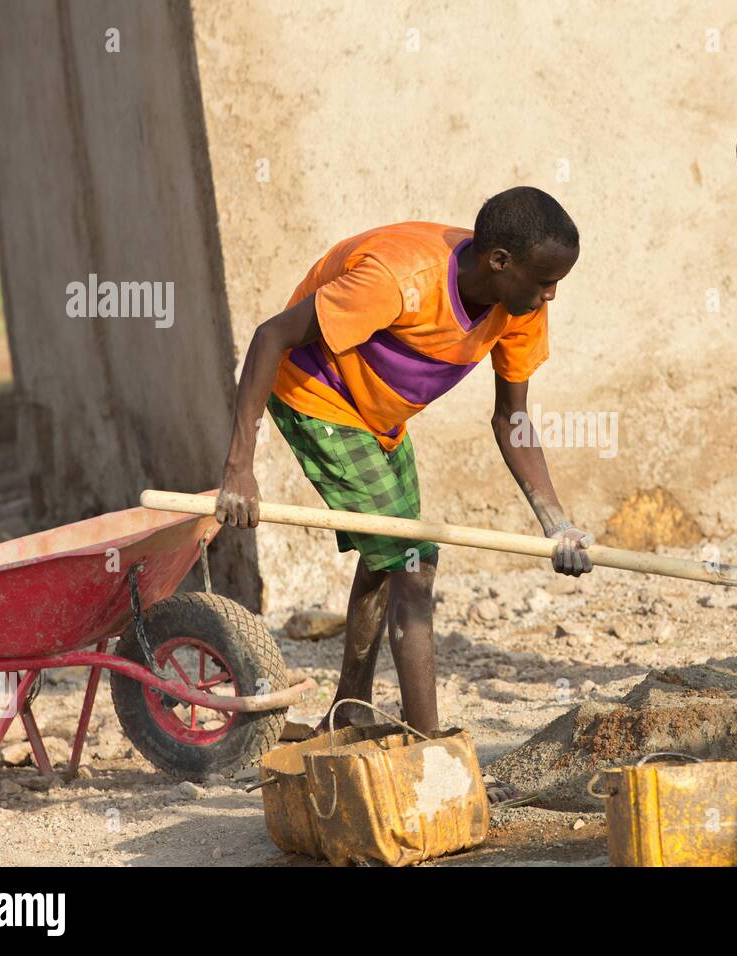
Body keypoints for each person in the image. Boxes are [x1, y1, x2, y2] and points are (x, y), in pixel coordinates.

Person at [214, 187, 594, 801]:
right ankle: (430, 748)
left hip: (382, 415)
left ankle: (351, 710)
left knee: (389, 550)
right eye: (545, 280)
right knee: (414, 563)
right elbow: (270, 336)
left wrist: (556, 522)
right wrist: (238, 466)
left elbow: (511, 418)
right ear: (498, 261)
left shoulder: (520, 303)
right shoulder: (397, 278)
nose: (551, 295)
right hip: (317, 396)